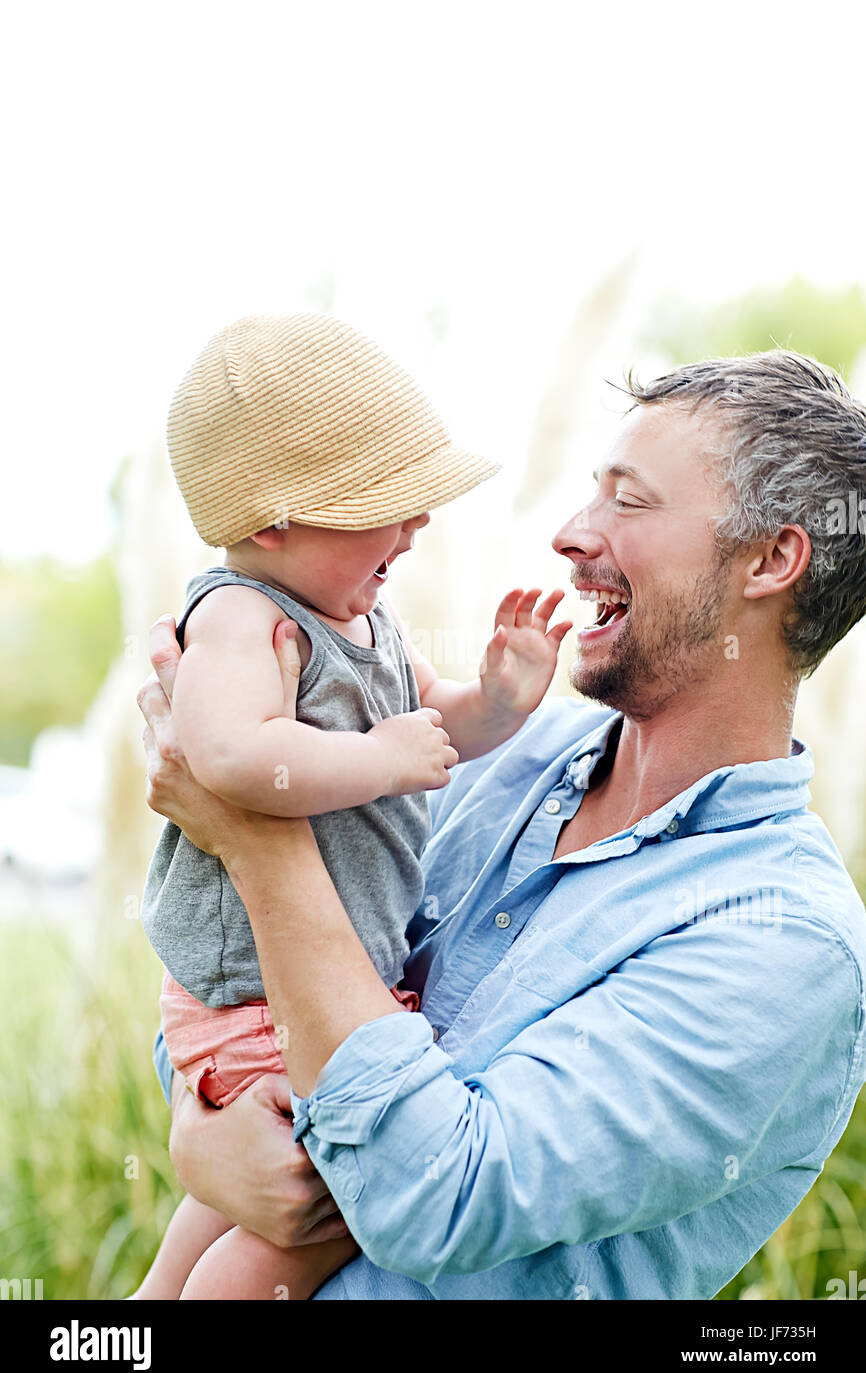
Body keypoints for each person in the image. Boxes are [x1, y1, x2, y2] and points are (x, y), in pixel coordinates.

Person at [140, 348, 866, 1300]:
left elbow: (437, 1198)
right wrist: (202, 1127)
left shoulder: (783, 942)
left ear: (771, 560)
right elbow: (236, 985)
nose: (571, 534)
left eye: (629, 502)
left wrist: (257, 833)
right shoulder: (493, 761)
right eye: (588, 494)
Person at [131, 311, 572, 1300]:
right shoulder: (242, 618)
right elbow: (225, 754)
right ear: (274, 519)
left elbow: (436, 729)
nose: (416, 528)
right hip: (249, 987)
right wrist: (374, 755)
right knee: (320, 1201)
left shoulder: (361, 618)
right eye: (387, 503)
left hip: (304, 987)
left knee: (248, 1188)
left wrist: (496, 698)